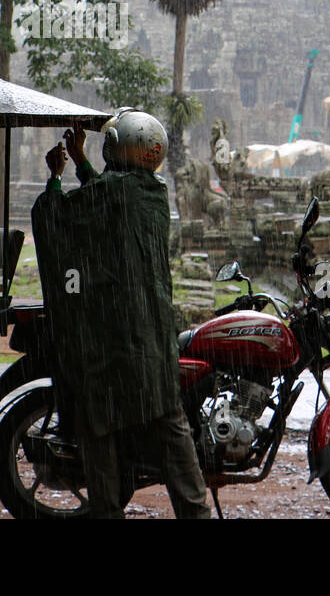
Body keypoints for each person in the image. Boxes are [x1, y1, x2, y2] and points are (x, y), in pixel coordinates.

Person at [30, 112, 210, 519]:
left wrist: (57, 176)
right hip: (151, 345)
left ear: (118, 145)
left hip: (109, 345)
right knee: (171, 428)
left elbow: (59, 216)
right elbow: (106, 201)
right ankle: (196, 512)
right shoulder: (152, 193)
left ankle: (108, 511)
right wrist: (81, 162)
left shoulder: (114, 193)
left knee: (101, 433)